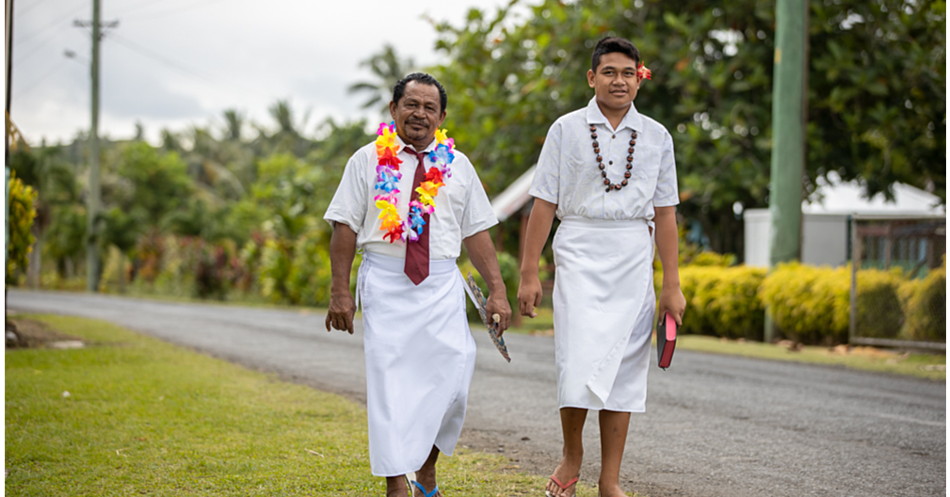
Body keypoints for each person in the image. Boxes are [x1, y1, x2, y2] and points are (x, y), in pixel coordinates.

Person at [324, 72, 512, 497]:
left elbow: (476, 232)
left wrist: (497, 290)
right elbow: (344, 227)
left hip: (442, 281)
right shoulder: (367, 159)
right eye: (411, 105)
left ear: (441, 116)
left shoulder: (458, 166)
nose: (419, 114)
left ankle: (426, 470)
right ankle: (395, 484)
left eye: (430, 108)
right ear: (393, 110)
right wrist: (340, 291)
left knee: (455, 375)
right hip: (385, 279)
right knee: (390, 384)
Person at [517, 37, 686, 497]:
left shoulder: (658, 136)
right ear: (592, 78)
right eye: (609, 72)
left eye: (628, 73)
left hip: (634, 255)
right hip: (577, 250)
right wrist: (529, 273)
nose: (619, 80)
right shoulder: (565, 129)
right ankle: (572, 456)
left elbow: (666, 213)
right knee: (575, 362)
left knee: (625, 371)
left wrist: (671, 285)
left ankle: (609, 480)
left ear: (640, 79)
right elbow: (543, 204)